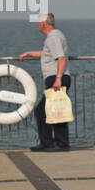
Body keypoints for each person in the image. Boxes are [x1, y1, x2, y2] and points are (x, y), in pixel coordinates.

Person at [18, 13, 72, 151]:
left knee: (42, 111)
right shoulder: (56, 35)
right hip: (57, 77)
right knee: (55, 110)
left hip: (56, 78)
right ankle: (57, 143)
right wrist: (29, 53)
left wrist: (58, 78)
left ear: (43, 24)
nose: (38, 25)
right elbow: (47, 53)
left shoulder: (53, 38)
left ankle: (53, 143)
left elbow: (61, 58)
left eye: (39, 22)